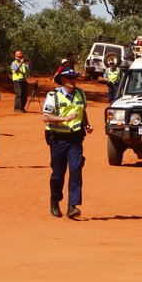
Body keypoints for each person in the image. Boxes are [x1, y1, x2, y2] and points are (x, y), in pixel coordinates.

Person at [43, 68, 93, 219]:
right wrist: (64, 119)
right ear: (62, 80)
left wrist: (86, 125)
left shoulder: (81, 94)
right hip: (57, 138)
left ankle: (73, 206)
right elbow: (45, 117)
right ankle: (55, 200)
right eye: (70, 78)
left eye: (74, 77)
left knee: (76, 168)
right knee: (58, 173)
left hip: (75, 138)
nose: (73, 80)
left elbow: (82, 110)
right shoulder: (53, 96)